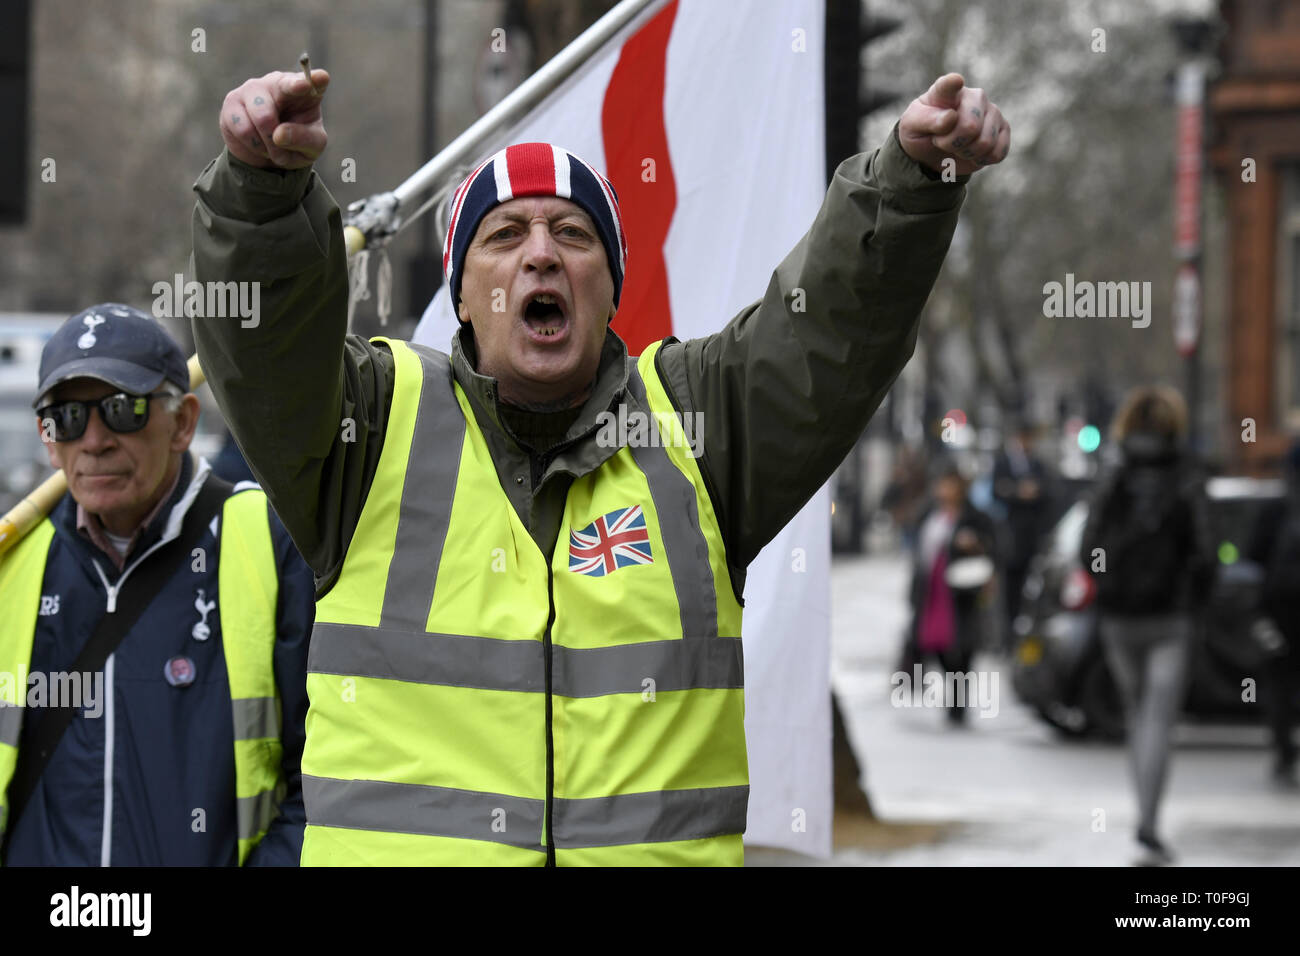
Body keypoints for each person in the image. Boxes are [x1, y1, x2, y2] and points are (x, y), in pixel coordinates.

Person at [191, 66, 1009, 866]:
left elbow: (827, 334)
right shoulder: (367, 429)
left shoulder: (699, 424)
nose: (541, 255)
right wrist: (262, 197)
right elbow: (271, 351)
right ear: (463, 296)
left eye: (573, 235)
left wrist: (907, 183)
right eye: (505, 235)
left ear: (609, 287)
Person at [0, 305, 314, 866]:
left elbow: (324, 776)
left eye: (122, 410)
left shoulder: (271, 542)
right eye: (66, 418)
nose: (93, 441)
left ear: (184, 422)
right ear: (49, 441)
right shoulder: (14, 561)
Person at [1080, 386, 1214, 865]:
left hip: (1121, 618)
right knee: (1158, 720)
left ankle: (1145, 817)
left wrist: (1109, 586)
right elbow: (1204, 554)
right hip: (1170, 619)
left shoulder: (1114, 473)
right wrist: (1194, 603)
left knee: (1138, 714)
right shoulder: (1186, 475)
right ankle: (1148, 823)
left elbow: (1088, 545)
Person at [900, 461, 997, 725]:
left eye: (950, 484)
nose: (944, 490)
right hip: (932, 589)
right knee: (933, 642)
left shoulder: (975, 517)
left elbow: (995, 547)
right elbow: (918, 552)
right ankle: (953, 696)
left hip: (962, 591)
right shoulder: (929, 514)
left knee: (964, 646)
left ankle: (958, 704)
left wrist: (974, 544)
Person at [1246, 438, 1300, 787]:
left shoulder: (1276, 506)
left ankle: (1284, 750)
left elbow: (1252, 557)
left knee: (1279, 680)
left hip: (1280, 608)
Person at [991, 420, 1049, 649]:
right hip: (1010, 539)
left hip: (1032, 538)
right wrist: (1018, 493)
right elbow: (997, 491)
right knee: (1010, 592)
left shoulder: (1038, 465)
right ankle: (1008, 639)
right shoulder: (1003, 463)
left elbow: (1048, 492)